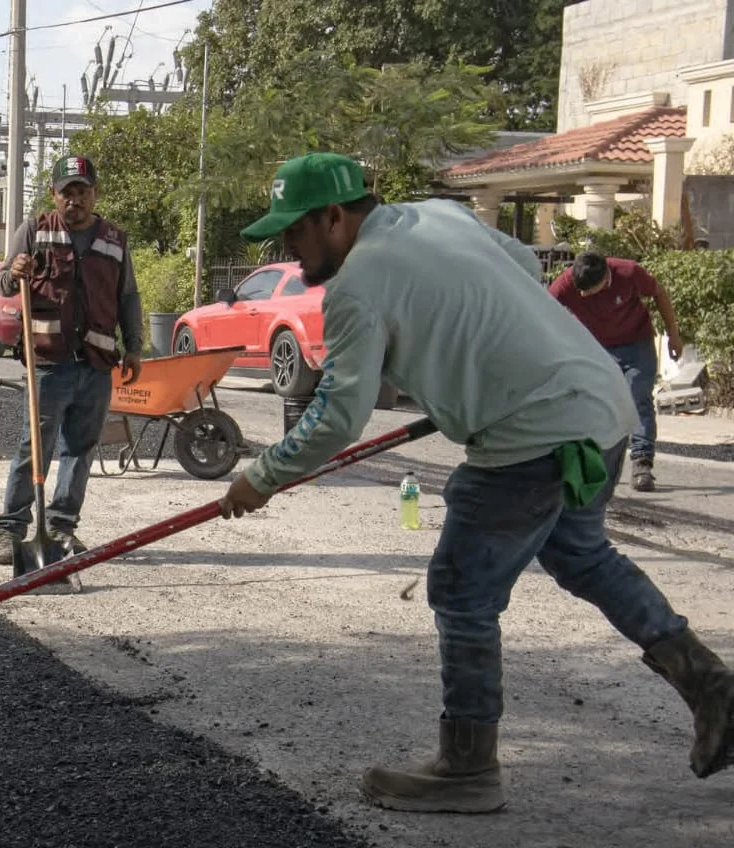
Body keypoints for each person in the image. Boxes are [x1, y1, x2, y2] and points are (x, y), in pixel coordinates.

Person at [215, 152, 733, 813]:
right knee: (581, 555)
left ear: (335, 218)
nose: (289, 248)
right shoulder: (439, 216)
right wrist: (467, 353)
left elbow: (339, 412)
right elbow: (519, 268)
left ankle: (467, 767)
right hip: (600, 409)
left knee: (461, 588)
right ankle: (712, 687)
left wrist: (263, 476)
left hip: (533, 432)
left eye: (295, 231)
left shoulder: (355, 287)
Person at [0, 155, 144, 565]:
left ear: (95, 194)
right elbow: (5, 283)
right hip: (49, 362)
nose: (75, 200)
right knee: (33, 447)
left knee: (80, 448)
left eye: (82, 191)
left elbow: (128, 296)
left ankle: (60, 527)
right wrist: (15, 270)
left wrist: (135, 345)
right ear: (54, 195)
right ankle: (10, 529)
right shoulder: (35, 230)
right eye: (67, 193)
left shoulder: (114, 239)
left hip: (95, 363)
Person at [548, 251, 683, 491]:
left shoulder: (629, 272)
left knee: (638, 397)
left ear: (605, 277)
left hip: (636, 345)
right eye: (579, 289)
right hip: (596, 349)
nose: (582, 295)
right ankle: (589, 462)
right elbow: (543, 311)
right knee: (592, 402)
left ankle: (642, 462)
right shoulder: (568, 283)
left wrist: (673, 334)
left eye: (589, 290)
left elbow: (659, 293)